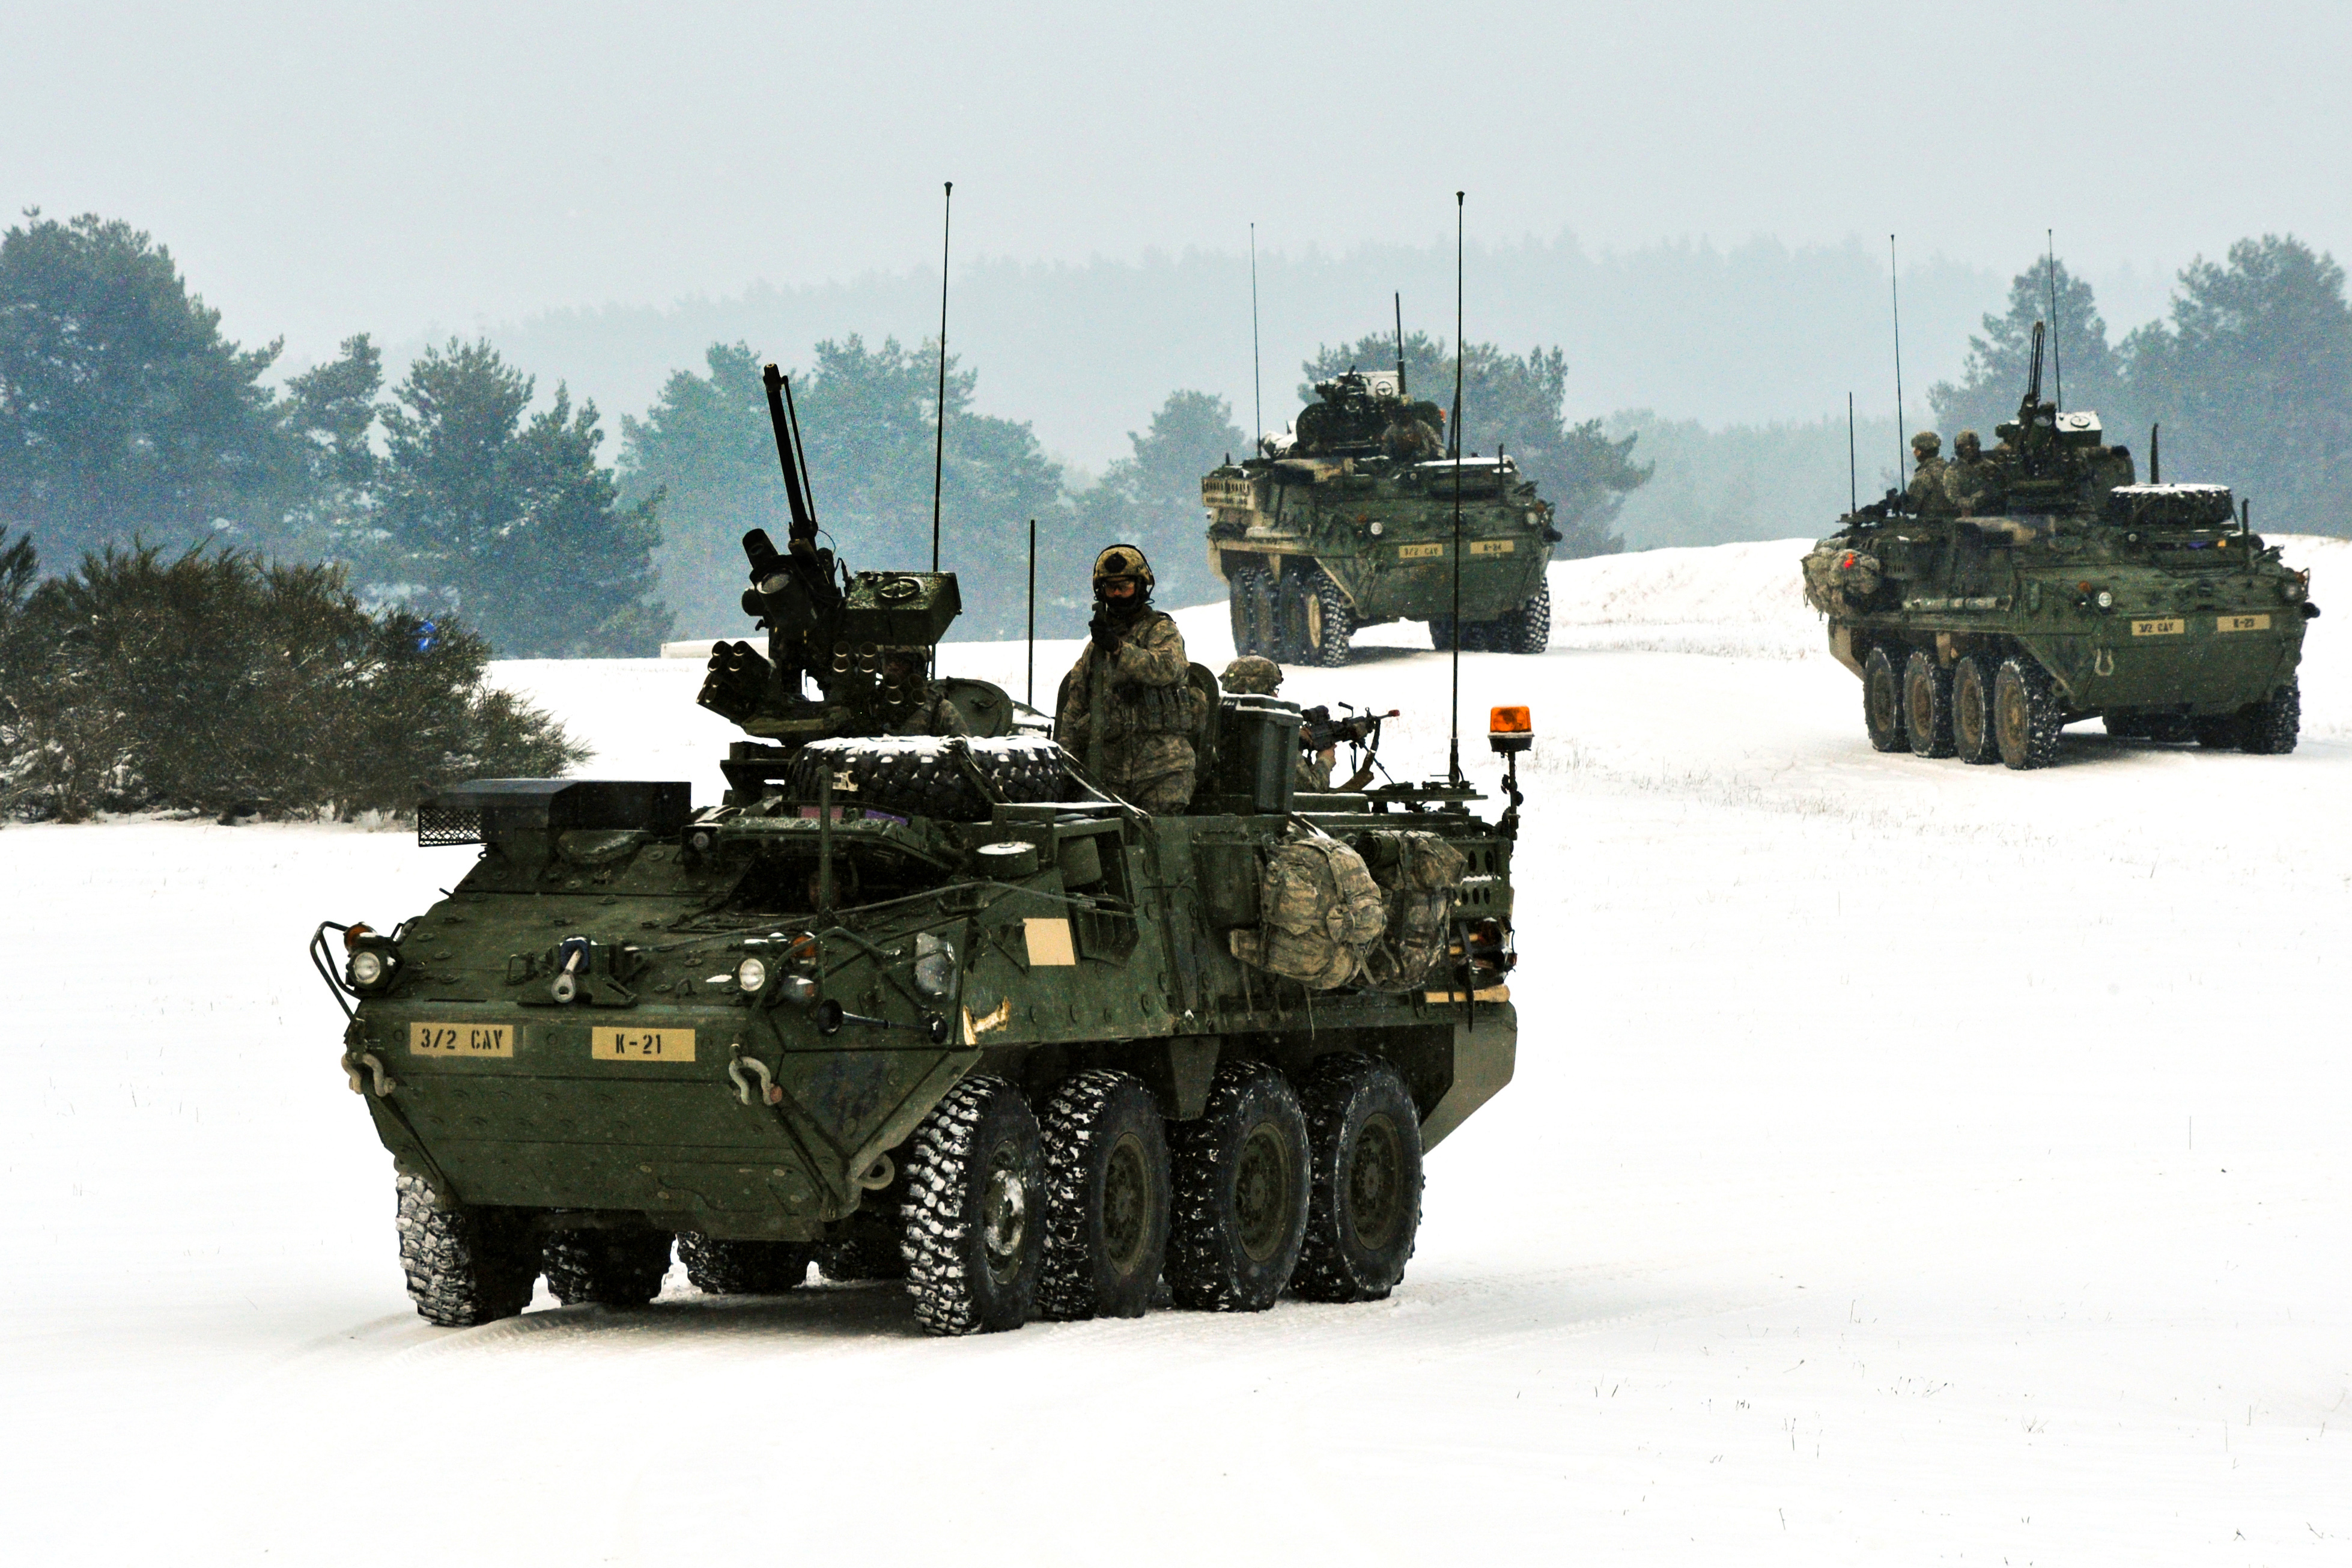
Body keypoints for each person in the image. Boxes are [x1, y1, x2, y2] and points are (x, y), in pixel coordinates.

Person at [1057, 544, 1199, 812]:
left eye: (1125, 586)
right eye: (1111, 588)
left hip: (1163, 771)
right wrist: (1066, 769)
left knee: (1157, 841)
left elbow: (1166, 667)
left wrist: (1118, 650)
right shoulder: (1095, 650)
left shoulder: (1161, 631)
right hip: (1109, 776)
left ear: (1141, 586)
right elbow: (1074, 708)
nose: (1118, 594)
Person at [1219, 655, 1337, 789]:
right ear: (1263, 690)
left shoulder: (1218, 722)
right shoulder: (1273, 738)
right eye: (1273, 690)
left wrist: (1296, 739)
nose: (1276, 696)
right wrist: (1325, 761)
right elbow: (1311, 789)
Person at [874, 648, 968, 737]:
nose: (893, 666)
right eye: (887, 660)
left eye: (901, 661)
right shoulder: (872, 702)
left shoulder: (940, 708)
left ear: (917, 666)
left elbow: (963, 748)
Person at [1943, 429, 2002, 517]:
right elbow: (1953, 496)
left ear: (1977, 446)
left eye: (1972, 445)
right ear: (1958, 448)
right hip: (1964, 516)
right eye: (1964, 446)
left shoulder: (1991, 467)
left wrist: (1980, 498)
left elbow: (1997, 490)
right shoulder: (1952, 471)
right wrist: (1969, 504)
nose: (1969, 449)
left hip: (1991, 514)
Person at [1907, 431, 1954, 514]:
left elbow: (1911, 507)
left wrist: (1901, 501)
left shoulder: (1924, 474)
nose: (1915, 454)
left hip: (1930, 524)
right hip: (1955, 523)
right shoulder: (1951, 469)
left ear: (1923, 452)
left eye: (1917, 451)